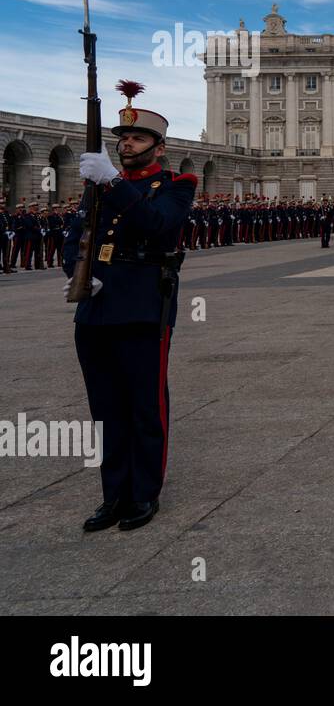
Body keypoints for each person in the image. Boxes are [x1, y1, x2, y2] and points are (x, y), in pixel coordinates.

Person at [61, 80, 197, 532]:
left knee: (145, 404)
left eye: (137, 139)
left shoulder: (177, 186)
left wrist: (114, 182)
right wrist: (79, 276)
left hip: (143, 307)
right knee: (104, 408)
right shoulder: (97, 188)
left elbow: (157, 225)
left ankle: (144, 494)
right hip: (96, 309)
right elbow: (75, 239)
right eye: (122, 139)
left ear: (159, 147)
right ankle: (113, 495)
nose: (127, 145)